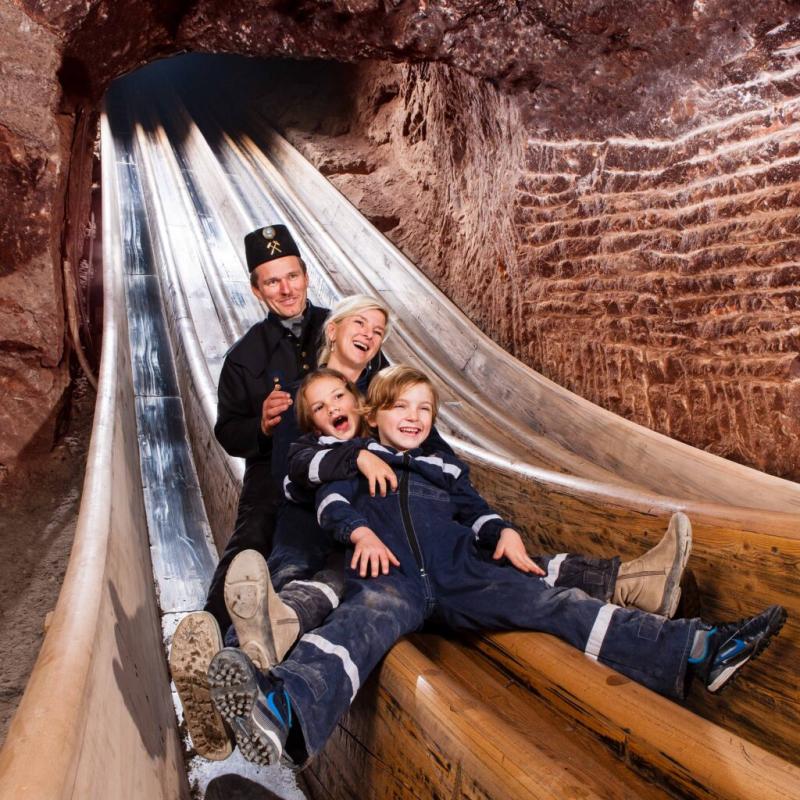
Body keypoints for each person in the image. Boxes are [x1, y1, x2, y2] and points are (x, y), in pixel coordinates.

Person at [207, 365, 786, 768]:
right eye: (401, 408)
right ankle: (283, 705)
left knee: (553, 602)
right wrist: (359, 529)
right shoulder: (353, 463)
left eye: (425, 409)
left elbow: (476, 510)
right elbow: (327, 503)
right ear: (373, 415)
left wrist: (503, 531)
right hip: (390, 576)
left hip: (462, 573)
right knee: (358, 629)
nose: (413, 417)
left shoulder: (442, 467)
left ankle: (696, 649)